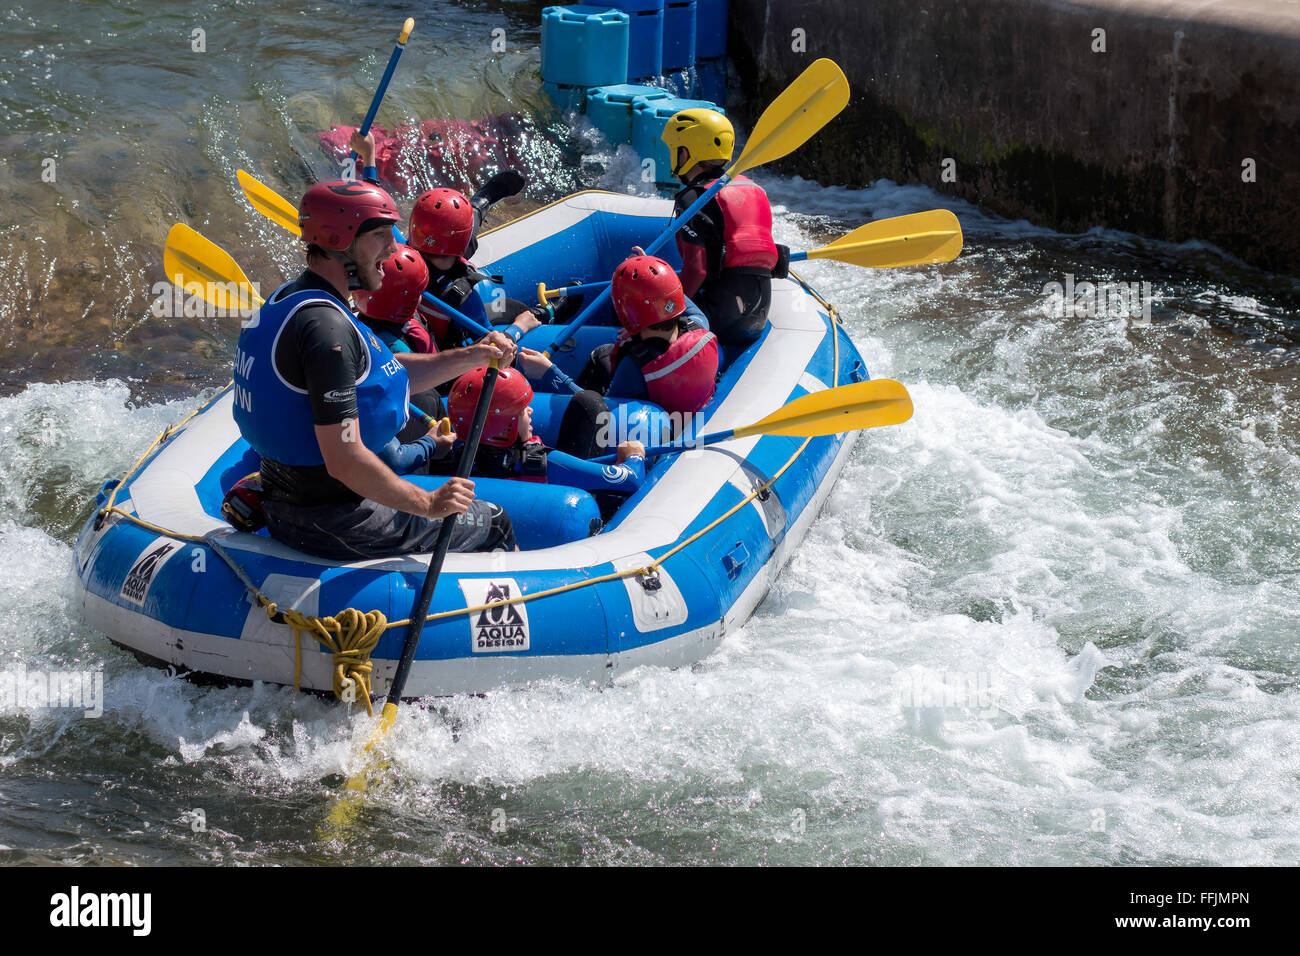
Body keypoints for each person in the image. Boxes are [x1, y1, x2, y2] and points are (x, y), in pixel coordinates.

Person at [230, 178, 519, 559]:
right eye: (381, 235)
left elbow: (381, 373)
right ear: (340, 241)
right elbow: (345, 460)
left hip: (293, 500)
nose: (393, 248)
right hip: (336, 517)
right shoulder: (326, 330)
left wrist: (474, 356)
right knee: (495, 521)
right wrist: (428, 503)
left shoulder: (296, 297)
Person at [660, 109, 787, 351]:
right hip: (757, 313)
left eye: (673, 151)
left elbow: (696, 270)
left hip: (720, 315)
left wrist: (664, 311)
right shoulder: (754, 189)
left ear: (685, 153)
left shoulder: (694, 198)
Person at [446, 366, 646, 495]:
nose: (531, 410)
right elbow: (629, 479)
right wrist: (634, 455)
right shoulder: (542, 463)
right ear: (504, 423)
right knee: (591, 403)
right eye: (523, 409)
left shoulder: (458, 460)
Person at [575, 254, 719, 418]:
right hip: (693, 410)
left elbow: (600, 410)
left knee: (600, 355)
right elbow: (682, 304)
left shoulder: (633, 367)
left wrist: (551, 372)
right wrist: (658, 279)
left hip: (657, 425)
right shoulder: (699, 325)